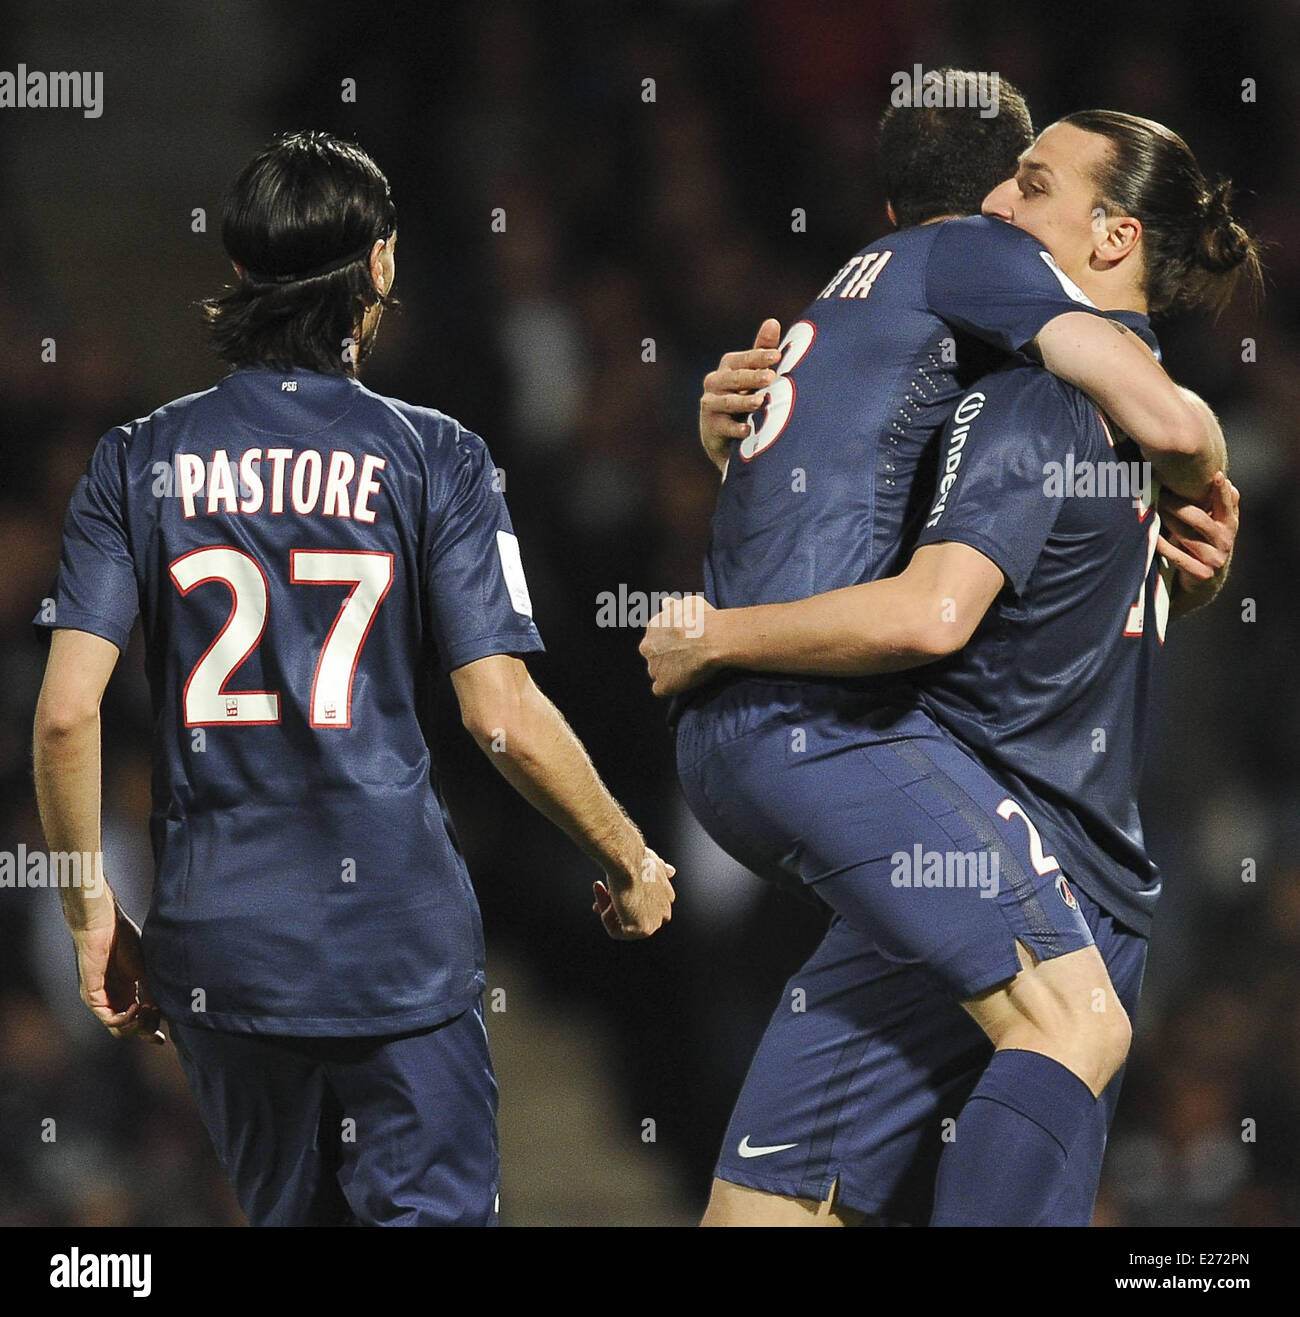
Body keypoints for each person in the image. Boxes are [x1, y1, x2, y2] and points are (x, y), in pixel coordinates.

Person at [31, 130, 675, 1227]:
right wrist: (628, 852)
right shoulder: (438, 457)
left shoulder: (136, 460)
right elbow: (501, 716)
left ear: (238, 274)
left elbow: (61, 718)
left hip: (218, 940)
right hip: (391, 933)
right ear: (379, 266)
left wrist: (93, 913)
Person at [642, 105, 1256, 1225]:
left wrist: (719, 633)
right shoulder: (1060, 388)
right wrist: (735, 426)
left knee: (1058, 1039)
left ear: (1111, 237)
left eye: (1028, 185)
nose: (991, 206)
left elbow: (933, 611)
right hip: (960, 846)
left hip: (1015, 845)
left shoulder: (1034, 398)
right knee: (767, 1205)